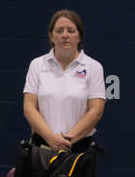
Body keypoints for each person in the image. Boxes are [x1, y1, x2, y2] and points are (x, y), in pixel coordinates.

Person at [23, 10, 104, 155]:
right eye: (59, 31)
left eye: (71, 31)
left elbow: (96, 111)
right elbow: (29, 107)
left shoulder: (94, 67)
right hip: (42, 147)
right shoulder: (37, 65)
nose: (65, 35)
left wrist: (66, 140)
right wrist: (50, 138)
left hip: (79, 149)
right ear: (51, 36)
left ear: (79, 36)